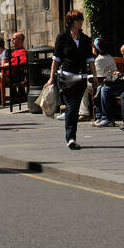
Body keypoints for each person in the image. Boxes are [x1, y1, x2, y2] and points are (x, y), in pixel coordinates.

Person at [49, 9, 96, 149]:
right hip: (66, 78)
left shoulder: (85, 39)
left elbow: (90, 60)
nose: (81, 22)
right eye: (78, 20)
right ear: (71, 22)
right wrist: (51, 77)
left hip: (81, 78)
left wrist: (94, 76)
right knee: (72, 106)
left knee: (73, 108)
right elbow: (56, 60)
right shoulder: (62, 38)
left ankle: (71, 136)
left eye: (81, 20)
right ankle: (71, 138)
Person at [90, 37, 118, 126]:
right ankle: (100, 116)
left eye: (93, 47)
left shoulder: (99, 59)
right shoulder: (108, 57)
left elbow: (97, 77)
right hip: (107, 81)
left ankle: (99, 116)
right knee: (99, 88)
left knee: (93, 88)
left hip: (108, 82)